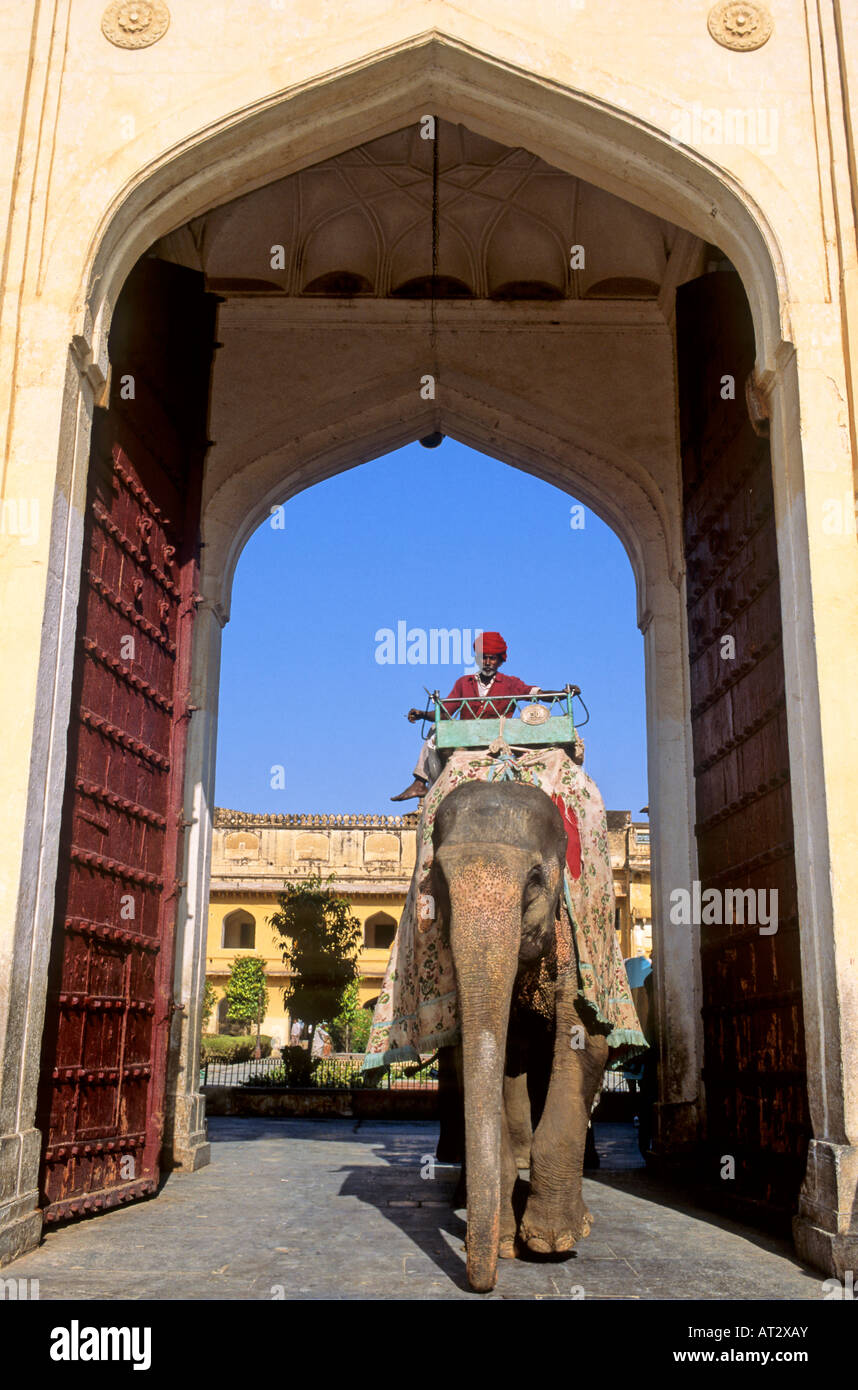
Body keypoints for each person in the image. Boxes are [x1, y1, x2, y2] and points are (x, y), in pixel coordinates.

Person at [391, 631, 537, 800]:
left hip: (498, 738)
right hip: (466, 736)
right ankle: (419, 782)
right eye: (484, 658)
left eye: (492, 658)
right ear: (478, 659)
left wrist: (564, 693)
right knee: (435, 728)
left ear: (500, 660)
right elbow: (445, 713)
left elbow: (535, 692)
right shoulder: (464, 683)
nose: (488, 662)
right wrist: (423, 714)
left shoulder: (511, 684)